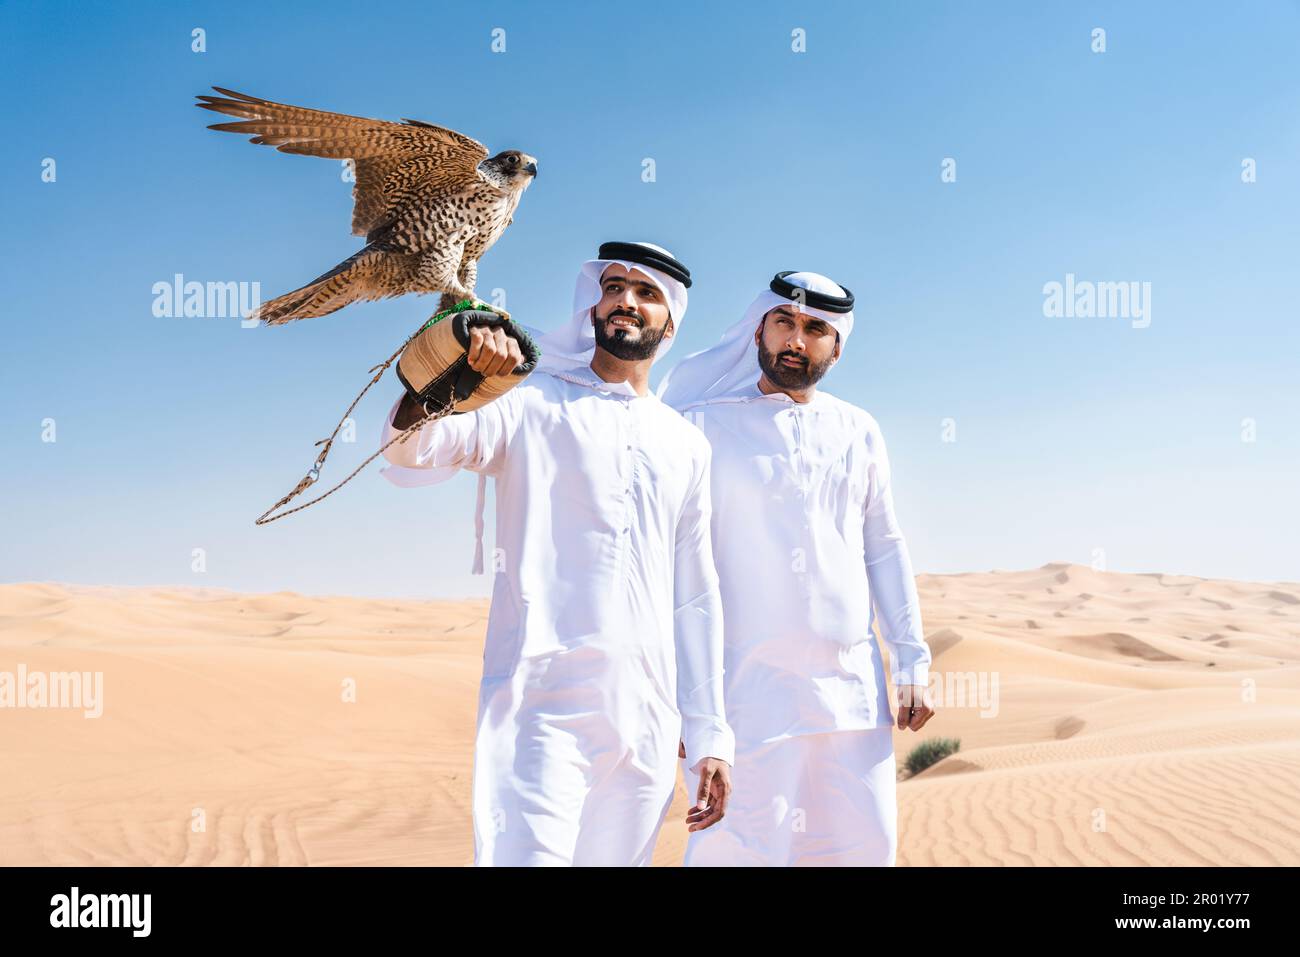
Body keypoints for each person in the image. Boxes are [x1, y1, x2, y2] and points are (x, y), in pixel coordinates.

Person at [378, 241, 734, 866]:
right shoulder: (526, 399)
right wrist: (445, 381)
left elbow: (696, 593)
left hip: (646, 719)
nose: (625, 300)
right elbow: (413, 450)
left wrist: (710, 734)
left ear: (670, 320)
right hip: (542, 710)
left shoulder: (686, 444)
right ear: (593, 302)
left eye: (646, 292)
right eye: (614, 286)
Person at [658, 270, 934, 866]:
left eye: (815, 329)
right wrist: (687, 705)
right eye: (784, 321)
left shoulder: (858, 430)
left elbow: (883, 544)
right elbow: (668, 564)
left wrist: (911, 656)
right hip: (743, 700)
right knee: (733, 854)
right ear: (760, 327)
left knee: (863, 852)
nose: (796, 339)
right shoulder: (701, 424)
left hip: (851, 699)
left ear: (836, 346)